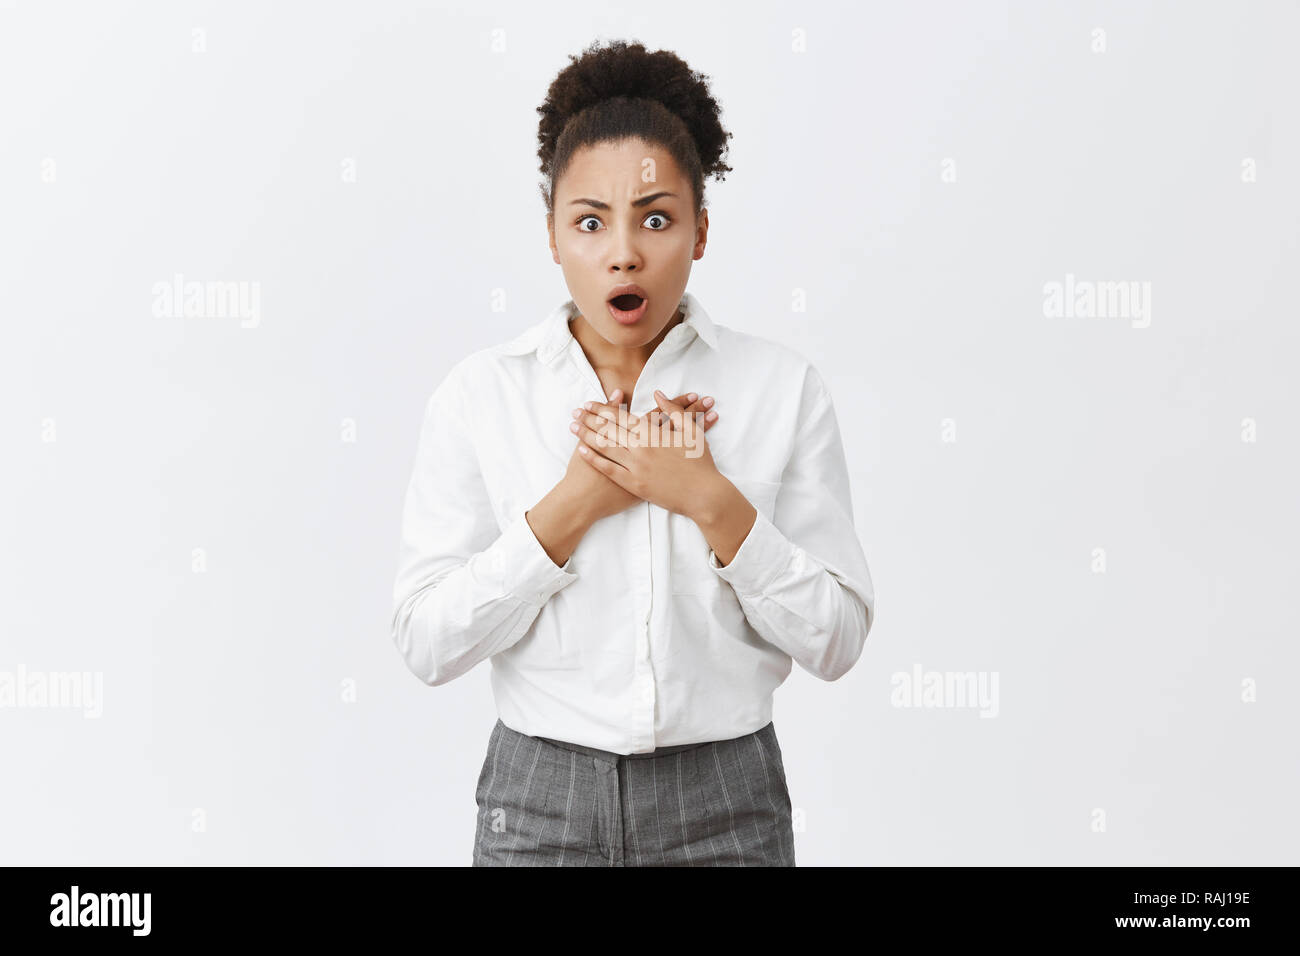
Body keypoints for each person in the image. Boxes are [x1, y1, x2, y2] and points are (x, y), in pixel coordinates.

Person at [390, 38, 876, 866]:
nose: (624, 251)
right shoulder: (482, 395)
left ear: (701, 230)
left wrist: (706, 497)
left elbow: (837, 640)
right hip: (537, 802)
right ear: (551, 234)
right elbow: (427, 643)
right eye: (590, 221)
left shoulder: (781, 389)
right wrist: (577, 500)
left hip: (726, 801)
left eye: (656, 218)